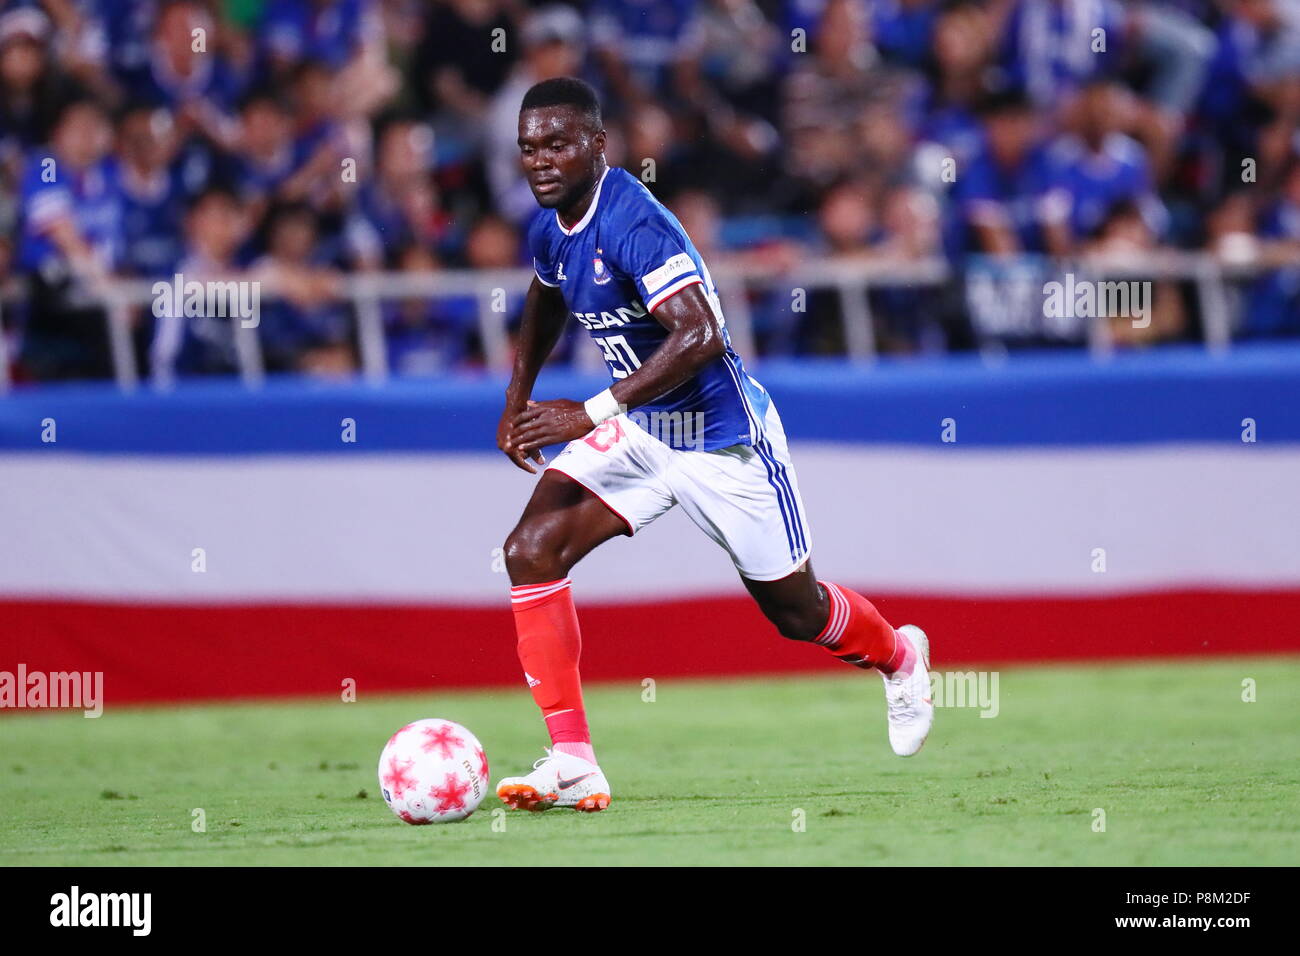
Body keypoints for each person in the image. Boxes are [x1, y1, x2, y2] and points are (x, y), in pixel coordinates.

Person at [490, 77, 934, 813]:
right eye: (529, 147)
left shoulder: (635, 222)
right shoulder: (551, 222)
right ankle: (573, 762)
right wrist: (515, 403)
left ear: (599, 146)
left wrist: (587, 410)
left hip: (719, 440)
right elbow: (546, 295)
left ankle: (900, 655)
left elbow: (701, 334)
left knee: (798, 615)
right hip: (640, 429)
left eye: (558, 144)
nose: (540, 161)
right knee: (530, 548)